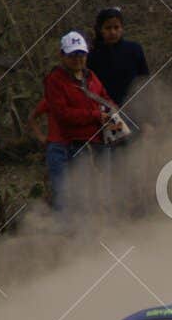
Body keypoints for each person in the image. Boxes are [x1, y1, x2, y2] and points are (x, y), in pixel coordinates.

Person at [31, 31, 112, 213]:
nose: (78, 59)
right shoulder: (54, 80)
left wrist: (111, 113)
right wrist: (95, 115)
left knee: (96, 195)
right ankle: (66, 231)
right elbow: (63, 114)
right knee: (65, 198)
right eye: (72, 55)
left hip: (93, 143)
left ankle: (99, 227)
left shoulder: (91, 77)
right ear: (62, 55)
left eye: (81, 54)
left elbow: (105, 99)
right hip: (66, 146)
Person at [85, 6, 149, 109]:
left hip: (134, 108)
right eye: (108, 28)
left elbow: (144, 80)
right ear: (100, 29)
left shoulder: (134, 49)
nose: (113, 32)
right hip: (104, 109)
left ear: (122, 28)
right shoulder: (92, 54)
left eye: (116, 27)